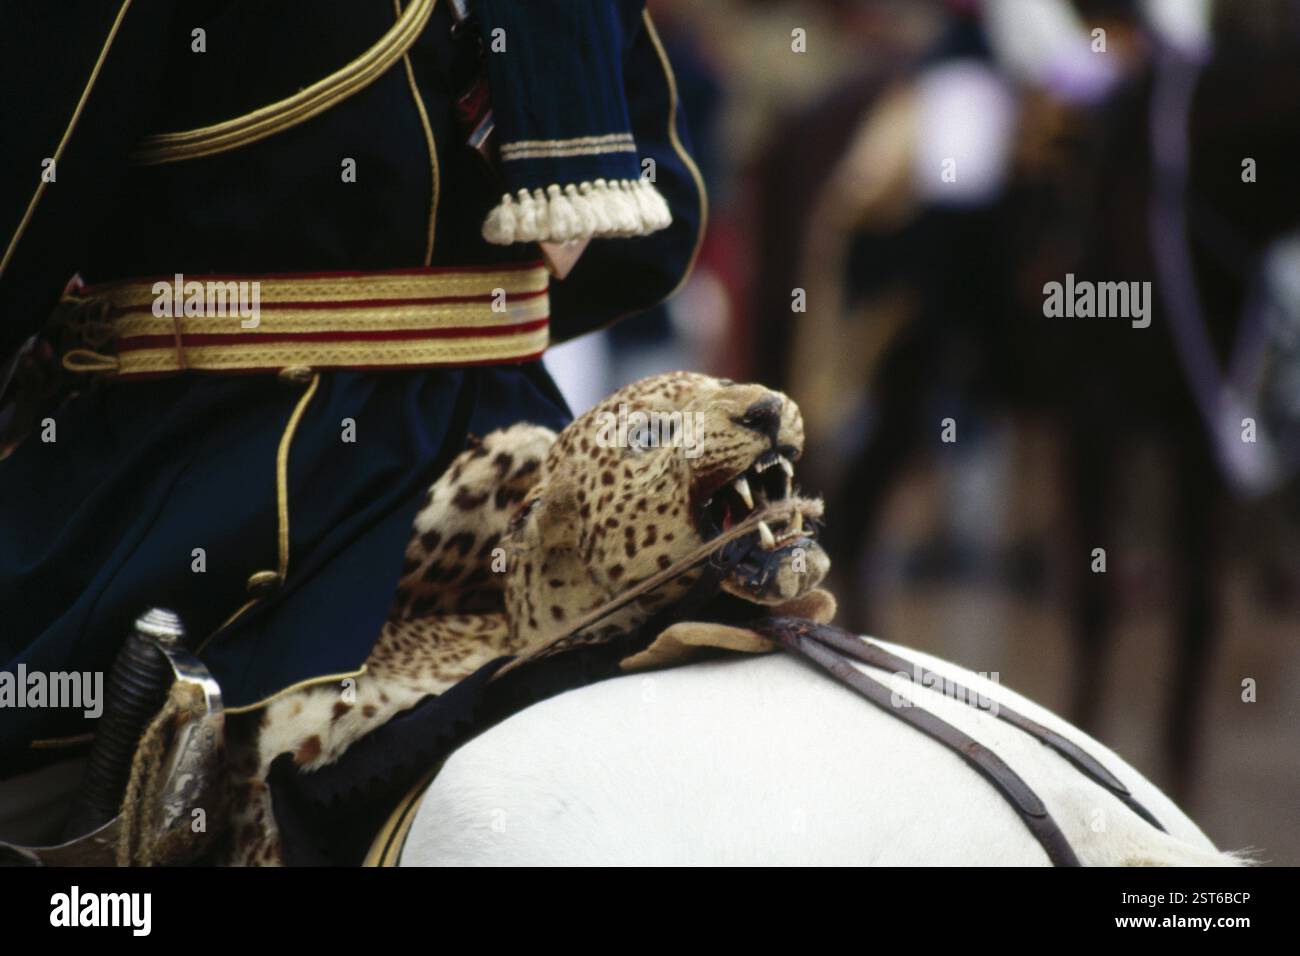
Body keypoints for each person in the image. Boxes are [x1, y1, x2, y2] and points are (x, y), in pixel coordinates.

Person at [0, 0, 705, 790]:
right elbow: (652, 242)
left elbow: (20, 229)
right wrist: (454, 314)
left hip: (218, 466)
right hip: (527, 453)